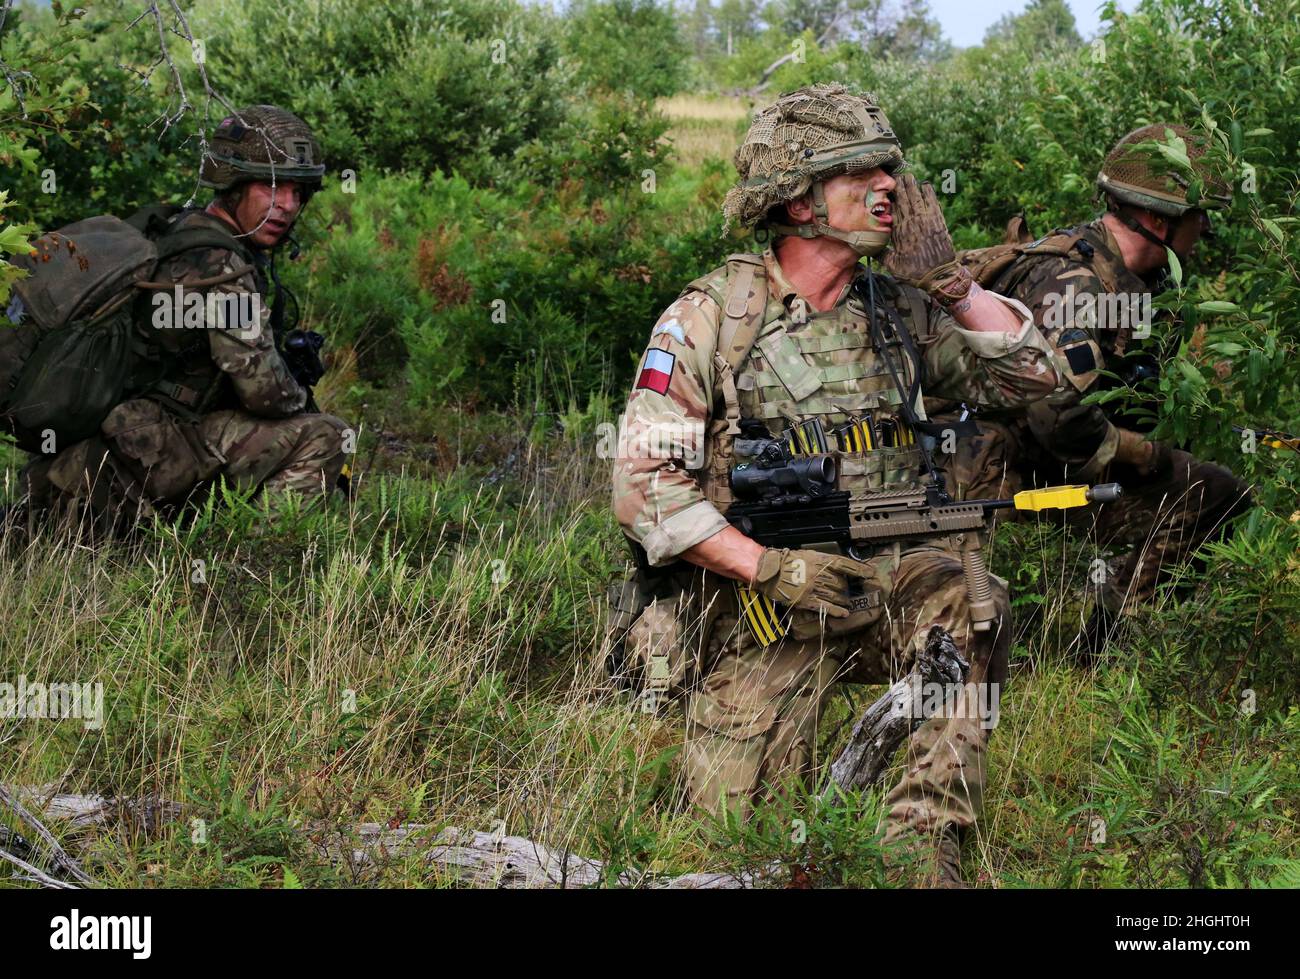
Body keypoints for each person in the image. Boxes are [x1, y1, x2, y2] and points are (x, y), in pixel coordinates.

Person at [611, 84, 1070, 887]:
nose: (890, 187)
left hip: (890, 576)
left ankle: (921, 847)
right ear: (795, 200)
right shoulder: (712, 318)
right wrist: (770, 567)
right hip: (758, 601)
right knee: (730, 847)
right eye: (860, 171)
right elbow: (646, 489)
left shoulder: (901, 313)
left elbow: (1039, 380)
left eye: (891, 169)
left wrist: (956, 288)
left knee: (971, 602)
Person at [927, 124, 1252, 656]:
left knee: (1201, 483)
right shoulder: (1076, 283)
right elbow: (1057, 415)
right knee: (1204, 492)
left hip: (1025, 450)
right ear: (1155, 220)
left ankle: (1109, 631)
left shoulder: (1131, 276)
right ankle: (1110, 646)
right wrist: (1137, 451)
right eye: (1198, 217)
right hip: (987, 463)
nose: (1205, 230)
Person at [18, 105, 350, 535]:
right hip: (139, 456)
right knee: (325, 434)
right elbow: (263, 391)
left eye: (297, 192)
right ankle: (257, 566)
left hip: (99, 453)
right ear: (233, 185)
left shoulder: (175, 230)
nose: (287, 206)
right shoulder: (220, 265)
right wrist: (296, 394)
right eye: (272, 188)